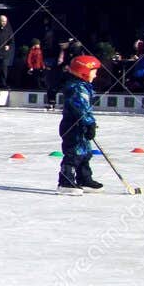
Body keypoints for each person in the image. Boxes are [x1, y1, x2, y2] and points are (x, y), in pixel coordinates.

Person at [58, 54, 102, 192]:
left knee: (85, 153)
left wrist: (89, 124)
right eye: (93, 72)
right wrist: (90, 123)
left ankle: (84, 178)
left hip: (80, 125)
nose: (95, 76)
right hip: (73, 126)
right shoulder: (77, 88)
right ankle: (65, 181)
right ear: (83, 72)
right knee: (74, 153)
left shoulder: (82, 86)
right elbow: (80, 108)